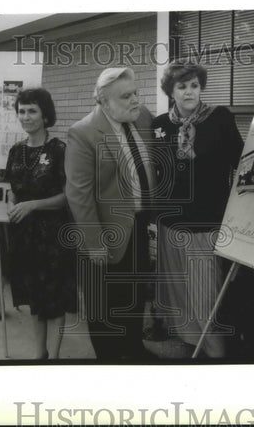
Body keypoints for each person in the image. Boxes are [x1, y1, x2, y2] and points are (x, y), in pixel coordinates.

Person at [152, 62, 244, 358]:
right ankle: (192, 348)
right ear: (171, 92)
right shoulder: (159, 125)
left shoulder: (219, 118)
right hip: (170, 225)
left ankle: (216, 355)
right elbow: (157, 172)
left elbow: (241, 164)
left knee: (206, 298)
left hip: (206, 224)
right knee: (179, 295)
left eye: (194, 85)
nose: (189, 91)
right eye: (182, 86)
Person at [65, 67, 155, 361]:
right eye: (126, 96)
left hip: (139, 227)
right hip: (104, 233)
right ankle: (110, 362)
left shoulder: (142, 118)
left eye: (136, 93)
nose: (135, 100)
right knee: (104, 307)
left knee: (135, 296)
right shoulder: (84, 132)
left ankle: (134, 351)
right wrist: (94, 242)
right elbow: (79, 194)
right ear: (103, 101)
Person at [5, 88, 76, 360]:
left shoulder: (59, 150)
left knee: (54, 302)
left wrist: (33, 205)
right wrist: (13, 204)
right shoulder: (15, 150)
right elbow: (13, 189)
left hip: (53, 237)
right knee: (35, 300)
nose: (26, 116)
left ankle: (54, 357)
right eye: (21, 111)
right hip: (24, 236)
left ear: (45, 115)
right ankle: (39, 355)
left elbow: (67, 196)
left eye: (32, 110)